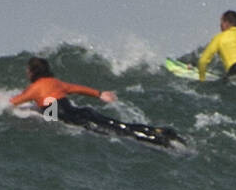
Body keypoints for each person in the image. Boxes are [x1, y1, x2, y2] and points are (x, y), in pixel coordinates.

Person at [10, 57, 182, 147]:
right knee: (121, 126)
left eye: (28, 70)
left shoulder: (35, 88)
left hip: (77, 120)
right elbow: (77, 88)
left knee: (120, 133)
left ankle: (160, 141)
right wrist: (100, 94)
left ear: (32, 72)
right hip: (84, 112)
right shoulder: (56, 83)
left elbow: (13, 102)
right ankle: (161, 132)